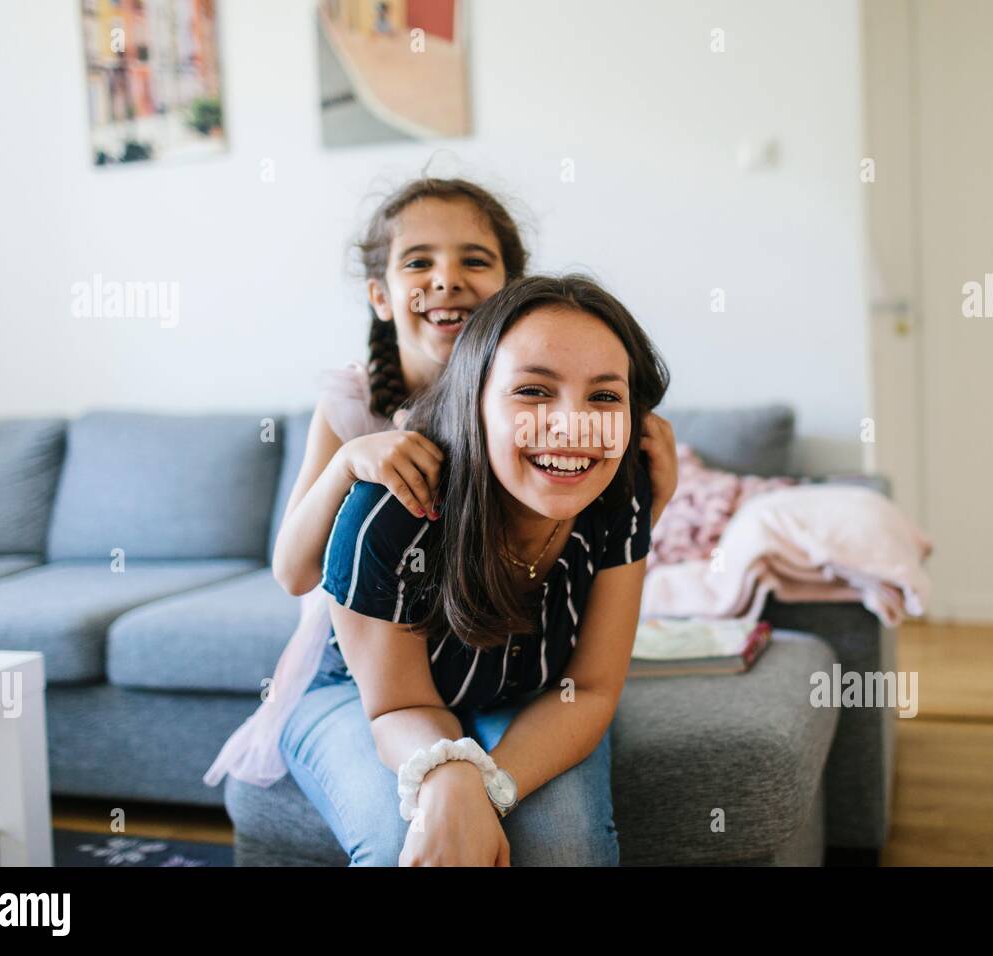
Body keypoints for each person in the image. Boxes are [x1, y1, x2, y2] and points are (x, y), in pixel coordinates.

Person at [203, 176, 677, 791]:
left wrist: (647, 505)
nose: (447, 279)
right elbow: (295, 573)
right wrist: (347, 465)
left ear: (513, 291)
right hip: (367, 643)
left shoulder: (568, 423)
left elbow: (589, 546)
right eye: (419, 262)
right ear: (380, 295)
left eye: (473, 261)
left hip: (489, 647)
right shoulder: (355, 406)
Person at [289, 273, 669, 865]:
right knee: (406, 842)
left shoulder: (623, 492)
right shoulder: (389, 513)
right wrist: (444, 775)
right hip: (367, 698)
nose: (573, 427)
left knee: (565, 843)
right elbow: (396, 707)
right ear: (474, 401)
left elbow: (591, 689)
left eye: (604, 396)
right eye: (533, 391)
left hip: (530, 693)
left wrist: (483, 783)